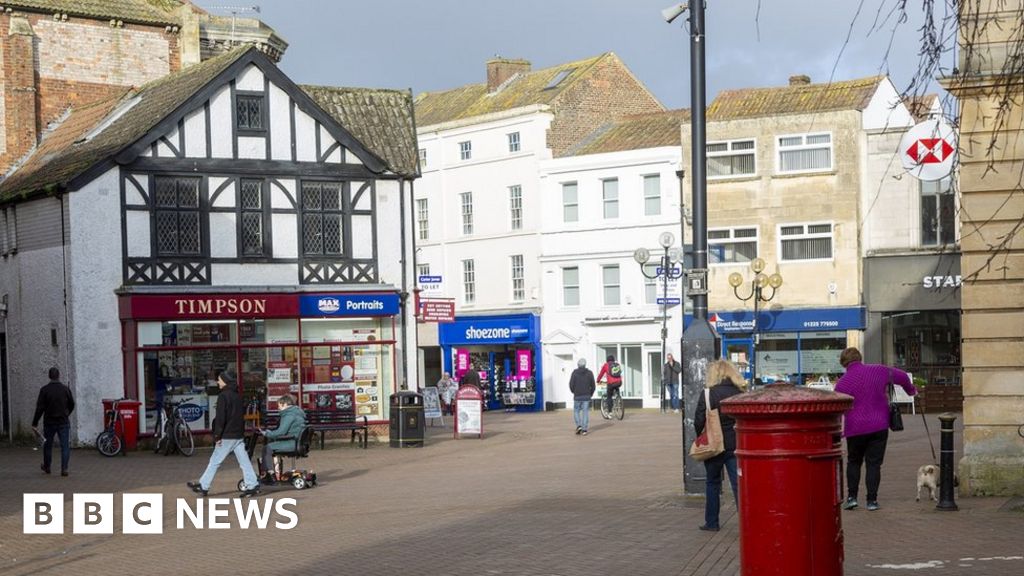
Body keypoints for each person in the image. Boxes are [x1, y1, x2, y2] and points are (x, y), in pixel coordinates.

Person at [835, 347, 916, 512]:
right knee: (874, 464)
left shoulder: (842, 383)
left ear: (844, 363)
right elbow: (901, 376)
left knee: (854, 462)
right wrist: (911, 391)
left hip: (855, 428)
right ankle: (872, 501)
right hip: (879, 425)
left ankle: (852, 498)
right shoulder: (879, 370)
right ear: (860, 358)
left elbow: (837, 406)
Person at [188, 369, 259, 497]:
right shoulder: (238, 395)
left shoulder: (223, 396)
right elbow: (239, 416)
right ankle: (252, 484)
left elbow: (221, 418)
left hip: (227, 435)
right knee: (244, 461)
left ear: (225, 381)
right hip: (237, 434)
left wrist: (217, 435)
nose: (217, 382)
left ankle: (204, 486)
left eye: (219, 380)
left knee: (215, 461)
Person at [694, 359, 746, 532]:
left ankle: (712, 522)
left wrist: (701, 435)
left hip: (715, 444)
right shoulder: (740, 392)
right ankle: (746, 523)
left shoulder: (708, 394)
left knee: (712, 483)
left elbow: (698, 420)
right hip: (736, 444)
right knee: (738, 484)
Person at [32, 367, 75, 477]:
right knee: (65, 446)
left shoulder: (44, 390)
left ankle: (47, 467)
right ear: (59, 375)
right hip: (63, 421)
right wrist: (66, 413)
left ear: (49, 376)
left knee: (48, 445)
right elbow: (72, 404)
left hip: (49, 422)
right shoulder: (65, 389)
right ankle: (64, 468)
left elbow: (40, 408)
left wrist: (35, 422)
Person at [258, 394, 306, 480]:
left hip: (291, 442)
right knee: (271, 446)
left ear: (285, 404)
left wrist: (267, 433)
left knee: (266, 448)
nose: (278, 408)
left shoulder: (289, 415)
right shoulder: (297, 412)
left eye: (279, 405)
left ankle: (269, 473)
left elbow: (281, 431)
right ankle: (273, 472)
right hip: (296, 441)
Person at [568, 358, 596, 436]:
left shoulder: (574, 373)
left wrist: (574, 392)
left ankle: (579, 425)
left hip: (577, 396)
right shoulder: (590, 373)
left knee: (576, 411)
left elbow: (571, 384)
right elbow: (593, 385)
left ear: (578, 365)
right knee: (585, 412)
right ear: (585, 365)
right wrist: (590, 394)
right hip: (586, 396)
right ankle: (584, 429)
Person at [596, 354, 623, 419]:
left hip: (611, 383)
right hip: (619, 382)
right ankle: (618, 399)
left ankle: (610, 412)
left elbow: (601, 374)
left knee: (609, 397)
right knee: (617, 388)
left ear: (607, 360)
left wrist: (598, 380)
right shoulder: (617, 365)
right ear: (613, 360)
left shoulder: (606, 365)